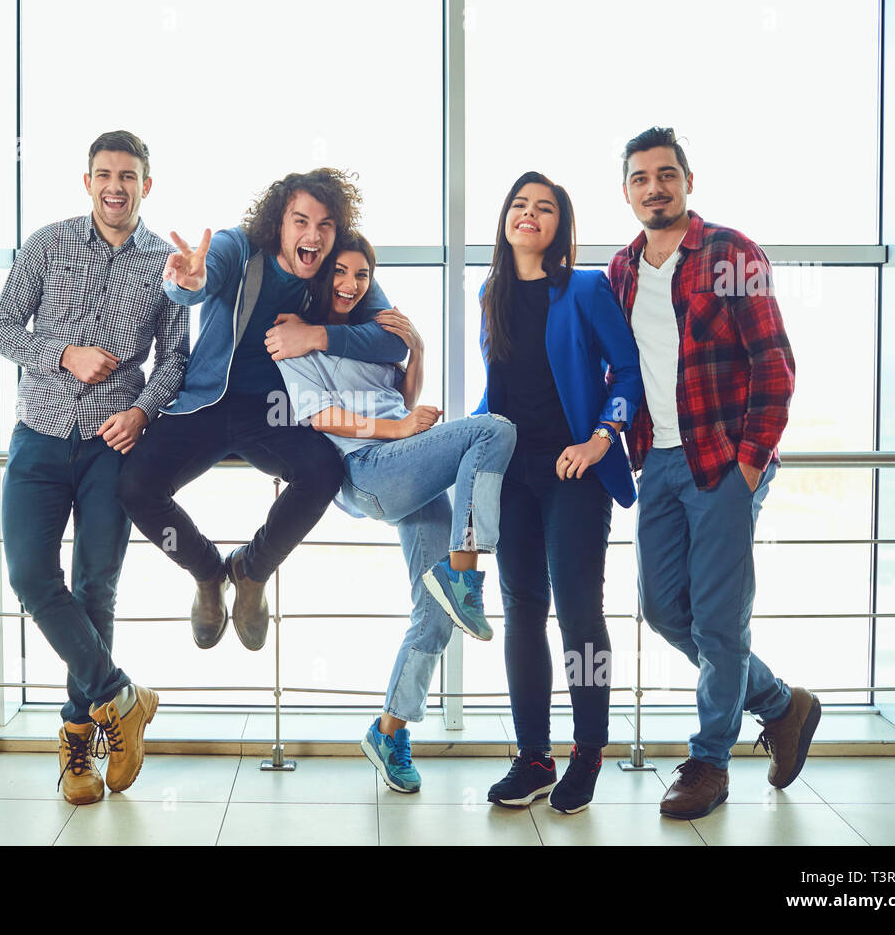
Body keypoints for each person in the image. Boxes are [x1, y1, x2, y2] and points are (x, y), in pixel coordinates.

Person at [608, 126, 818, 820]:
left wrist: (751, 462)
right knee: (665, 609)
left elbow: (774, 362)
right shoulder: (623, 270)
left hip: (722, 460)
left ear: (688, 181)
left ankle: (709, 762)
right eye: (641, 177)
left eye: (666, 174)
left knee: (721, 624)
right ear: (629, 190)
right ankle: (782, 705)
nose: (654, 187)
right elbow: (616, 367)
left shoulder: (730, 252)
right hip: (658, 461)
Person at [117, 169, 406, 653]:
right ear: (280, 223)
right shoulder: (241, 247)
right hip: (207, 402)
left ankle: (251, 571)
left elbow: (392, 339)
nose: (313, 235)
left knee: (322, 472)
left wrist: (316, 335)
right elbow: (199, 281)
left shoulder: (338, 266)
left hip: (276, 410)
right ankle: (208, 571)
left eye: (326, 224)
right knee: (133, 487)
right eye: (301, 221)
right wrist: (189, 281)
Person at [275, 233, 516, 793]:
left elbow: (403, 401)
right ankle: (467, 571)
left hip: (405, 462)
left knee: (433, 614)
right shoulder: (294, 335)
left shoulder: (370, 335)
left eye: (361, 275)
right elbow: (323, 418)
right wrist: (399, 430)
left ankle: (390, 731)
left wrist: (419, 352)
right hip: (369, 468)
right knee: (494, 429)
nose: (350, 284)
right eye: (340, 272)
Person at [0, 129, 185, 804]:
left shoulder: (165, 263)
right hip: (39, 438)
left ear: (146, 186)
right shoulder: (48, 242)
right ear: (87, 181)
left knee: (95, 588)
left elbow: (176, 360)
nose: (115, 185)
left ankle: (78, 743)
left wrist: (144, 412)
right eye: (104, 173)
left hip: (113, 445)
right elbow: (2, 328)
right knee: (28, 574)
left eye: (128, 175)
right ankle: (120, 698)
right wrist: (64, 352)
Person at [475, 172, 644, 814]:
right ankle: (533, 756)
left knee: (578, 615)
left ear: (560, 226)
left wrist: (602, 439)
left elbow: (626, 371)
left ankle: (589, 752)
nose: (530, 214)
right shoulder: (492, 293)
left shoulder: (584, 288)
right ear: (506, 219)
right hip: (512, 476)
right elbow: (498, 394)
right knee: (521, 611)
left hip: (575, 471)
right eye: (520, 204)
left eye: (545, 208)